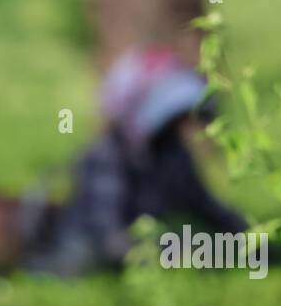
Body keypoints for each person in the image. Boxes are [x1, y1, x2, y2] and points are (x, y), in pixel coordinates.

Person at [27, 47, 247, 275]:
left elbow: (203, 204)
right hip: (85, 264)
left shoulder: (170, 153)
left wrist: (247, 237)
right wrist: (183, 253)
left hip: (143, 253)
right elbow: (110, 240)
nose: (177, 125)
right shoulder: (107, 158)